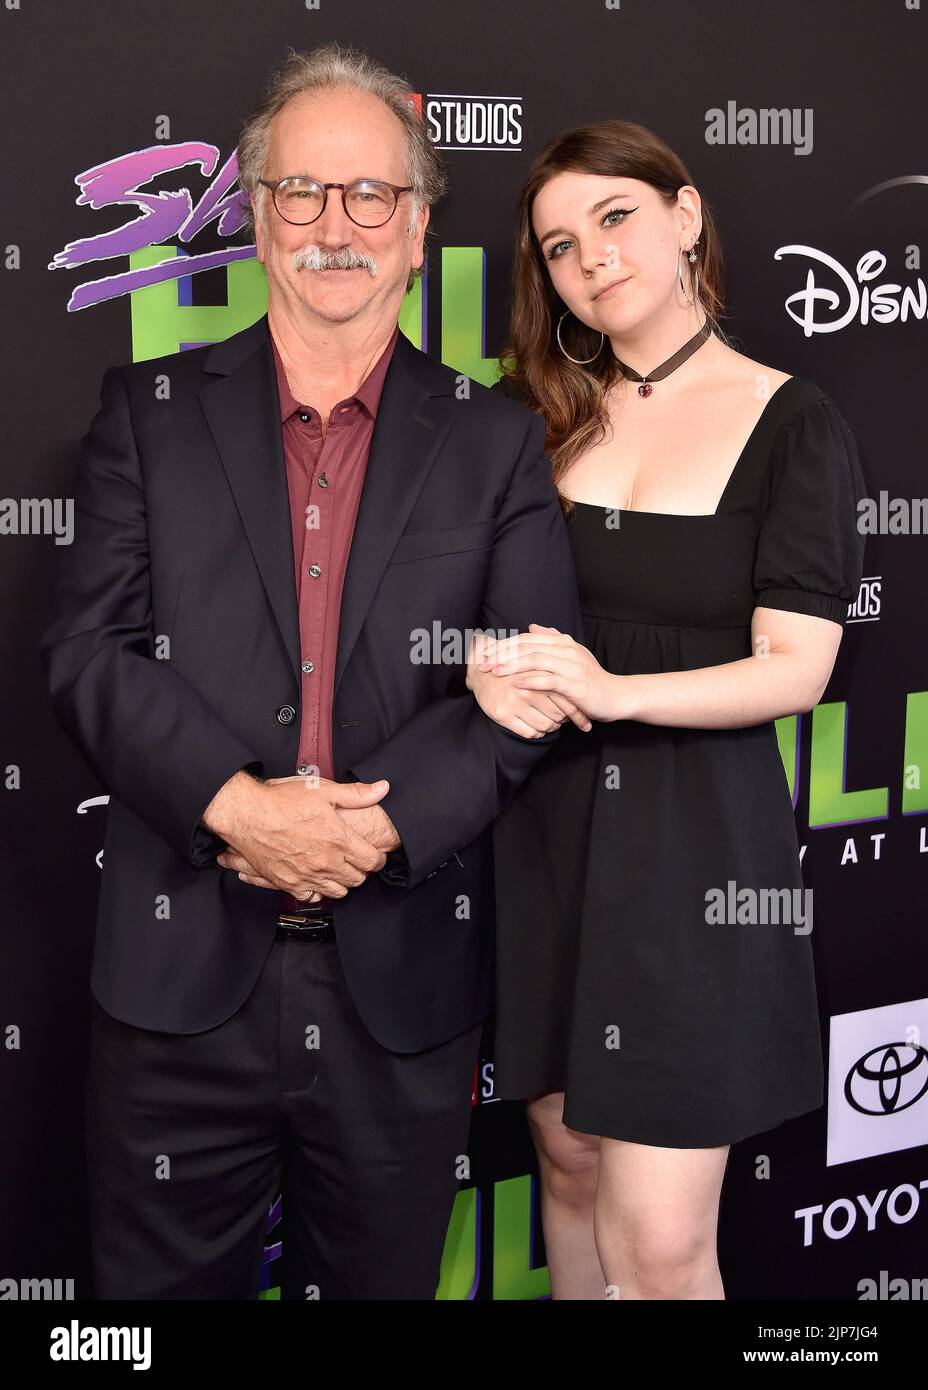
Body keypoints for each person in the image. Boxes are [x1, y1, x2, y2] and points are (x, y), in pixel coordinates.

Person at [40, 43, 584, 1300]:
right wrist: (239, 808)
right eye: (302, 191)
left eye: (372, 195)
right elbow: (88, 653)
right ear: (254, 212)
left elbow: (531, 688)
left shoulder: (498, 443)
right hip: (179, 981)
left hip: (402, 987)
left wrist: (369, 830)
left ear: (418, 225)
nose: (336, 227)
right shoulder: (145, 413)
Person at [466, 119, 867, 1300]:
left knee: (656, 1243)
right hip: (543, 838)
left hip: (695, 857)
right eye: (557, 245)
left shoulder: (791, 420)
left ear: (684, 217)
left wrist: (610, 690)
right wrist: (482, 664)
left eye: (614, 216)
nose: (588, 256)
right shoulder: (528, 414)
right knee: (568, 1163)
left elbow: (794, 668)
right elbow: (467, 610)